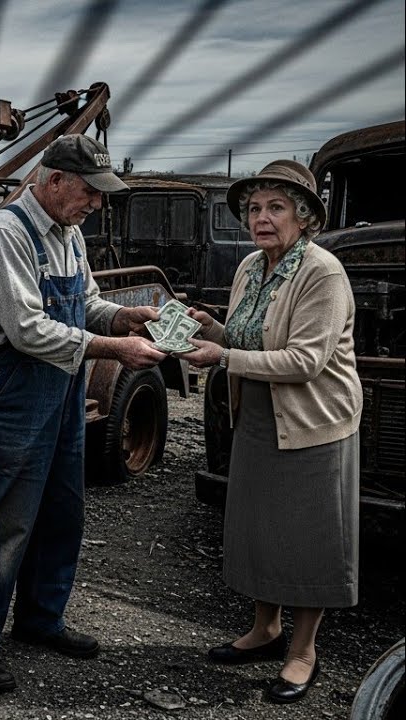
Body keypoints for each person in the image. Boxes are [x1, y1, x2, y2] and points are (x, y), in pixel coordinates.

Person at [0, 134, 167, 692]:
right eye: (89, 192)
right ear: (53, 181)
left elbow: (87, 302)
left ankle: (40, 620)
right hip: (14, 389)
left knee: (60, 512)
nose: (95, 205)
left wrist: (123, 317)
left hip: (63, 390)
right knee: (2, 522)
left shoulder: (69, 235)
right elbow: (26, 329)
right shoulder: (6, 234)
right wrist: (114, 349)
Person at [177, 159, 360, 705]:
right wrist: (207, 327)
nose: (261, 217)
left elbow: (305, 361)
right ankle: (266, 628)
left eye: (276, 207)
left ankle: (302, 652)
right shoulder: (251, 268)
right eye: (254, 208)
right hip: (257, 413)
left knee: (308, 538)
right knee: (259, 527)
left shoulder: (322, 272)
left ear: (303, 217)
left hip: (312, 420)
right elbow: (242, 335)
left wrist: (224, 353)